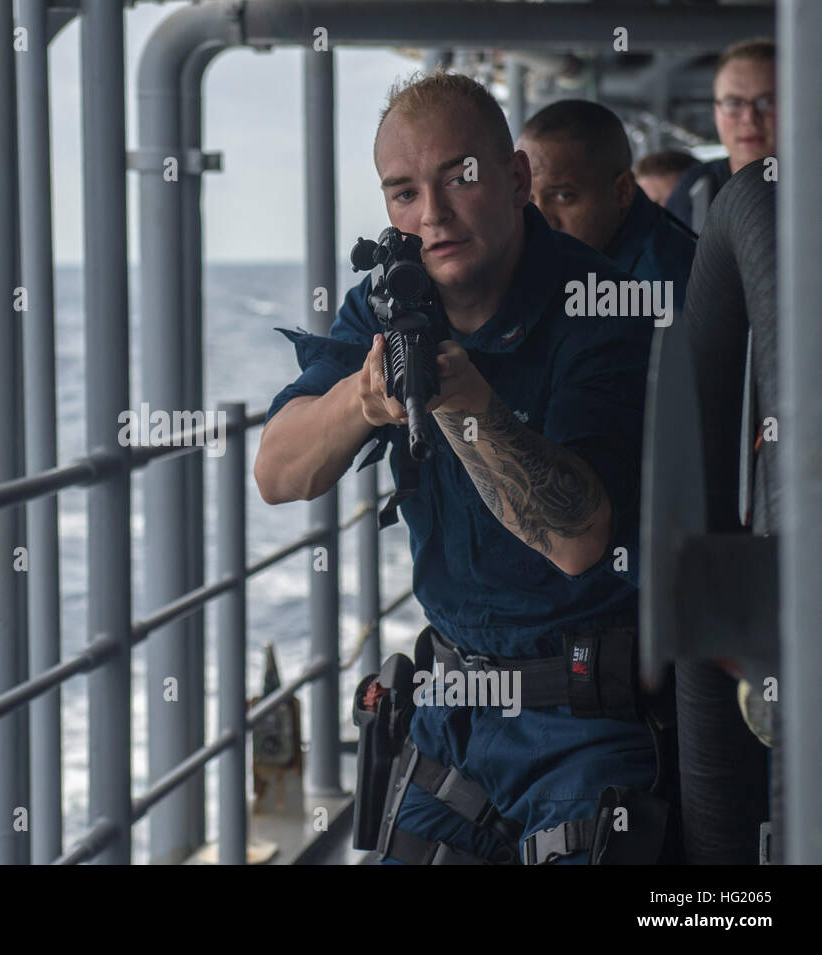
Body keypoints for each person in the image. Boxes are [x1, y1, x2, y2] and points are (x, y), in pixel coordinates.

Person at [255, 71, 672, 865]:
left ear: (516, 179)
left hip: (585, 714)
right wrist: (366, 399)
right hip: (451, 708)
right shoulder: (387, 304)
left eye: (460, 177)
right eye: (404, 193)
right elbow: (278, 473)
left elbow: (579, 536)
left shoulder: (603, 307)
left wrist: (458, 399)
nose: (433, 215)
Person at [518, 100, 697, 308]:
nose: (538, 219)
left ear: (622, 191)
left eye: (563, 197)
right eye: (526, 198)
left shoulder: (661, 295)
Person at [666, 38, 776, 230]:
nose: (749, 118)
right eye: (733, 103)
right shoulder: (694, 187)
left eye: (766, 102)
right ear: (716, 112)